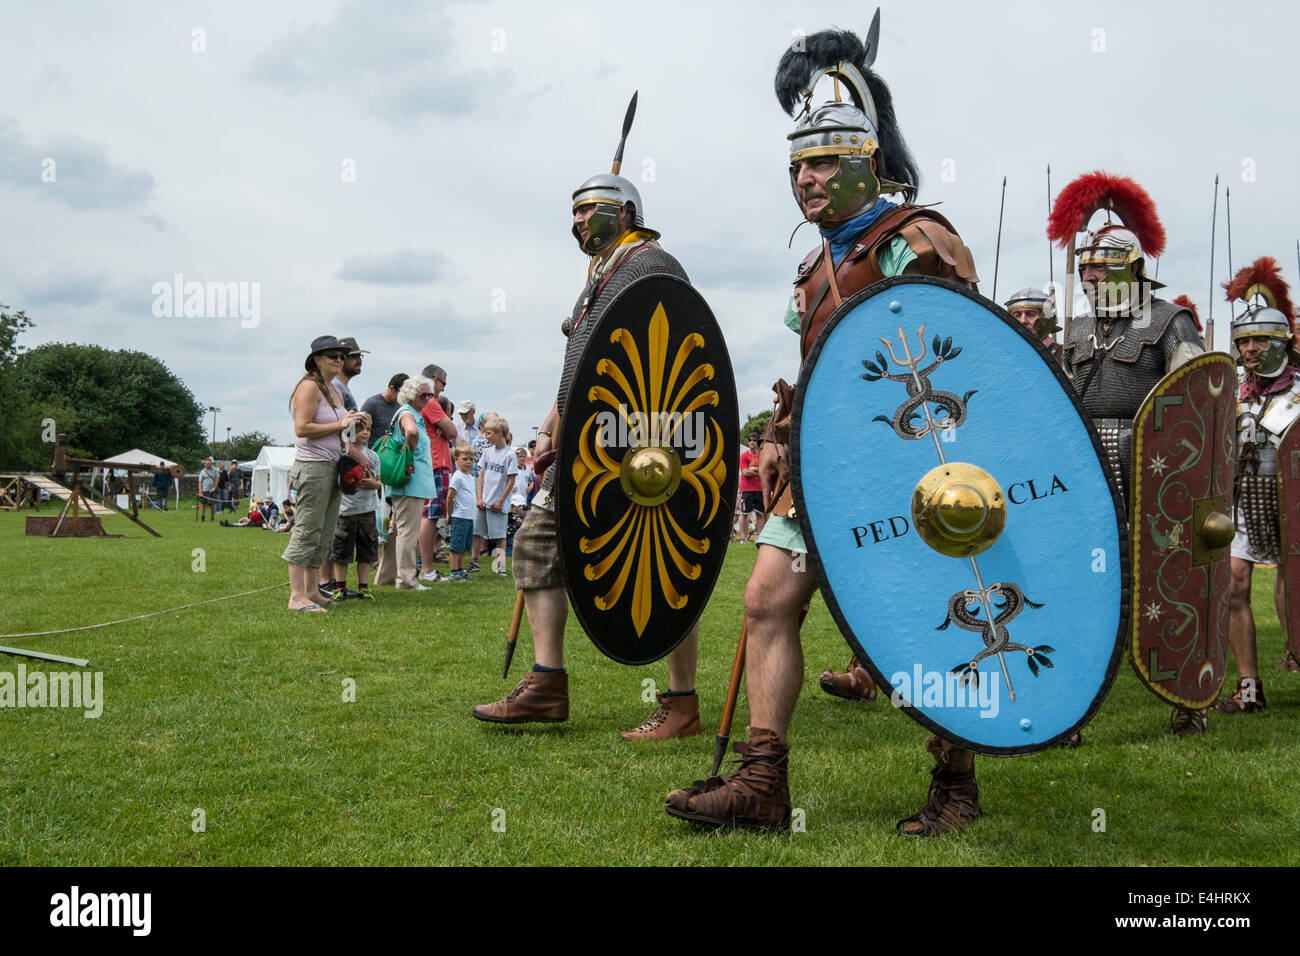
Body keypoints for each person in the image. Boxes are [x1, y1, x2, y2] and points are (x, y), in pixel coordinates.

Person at [666, 20, 987, 834]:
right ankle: (762, 783)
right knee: (766, 599)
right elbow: (818, 373)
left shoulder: (915, 240)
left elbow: (966, 360)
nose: (806, 180)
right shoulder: (812, 267)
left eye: (822, 163)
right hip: (822, 467)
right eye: (796, 166)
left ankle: (956, 783)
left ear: (866, 162)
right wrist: (780, 434)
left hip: (912, 466)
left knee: (924, 613)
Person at [473, 103, 706, 741]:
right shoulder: (594, 281)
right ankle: (548, 685)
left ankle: (681, 703)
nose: (578, 220)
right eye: (573, 211)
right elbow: (576, 370)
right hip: (583, 447)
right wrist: (550, 431)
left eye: (591, 207)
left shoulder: (651, 266)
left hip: (642, 451)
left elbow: (668, 360)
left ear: (625, 212)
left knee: (669, 570)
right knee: (540, 542)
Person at [1050, 170, 1206, 734]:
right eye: (1084, 268)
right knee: (1086, 581)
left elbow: (1195, 400)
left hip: (1154, 465)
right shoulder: (1078, 327)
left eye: (1100, 267)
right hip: (1087, 463)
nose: (1089, 277)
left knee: (1169, 575)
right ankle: (1075, 703)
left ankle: (1187, 695)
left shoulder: (1169, 321)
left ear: (1133, 267)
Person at [1218, 257, 1300, 710]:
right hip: (1242, 501)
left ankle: (1296, 652)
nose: (1249, 349)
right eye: (1243, 341)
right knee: (1233, 586)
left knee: (1293, 586)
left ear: (1280, 342)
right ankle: (1249, 687)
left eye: (1258, 340)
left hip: (1290, 504)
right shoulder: (1229, 391)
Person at [283, 336, 359, 611]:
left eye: (341, 356)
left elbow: (341, 429)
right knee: (307, 530)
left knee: (325, 533)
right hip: (312, 466)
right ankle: (296, 596)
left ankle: (312, 591)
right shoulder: (308, 387)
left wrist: (353, 423)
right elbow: (302, 428)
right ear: (317, 359)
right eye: (332, 356)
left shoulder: (333, 390)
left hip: (332, 466)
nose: (339, 360)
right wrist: (340, 423)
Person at [375, 375, 438, 591]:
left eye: (430, 394)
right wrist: (408, 453)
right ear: (411, 394)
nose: (428, 398)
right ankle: (407, 579)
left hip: (408, 482)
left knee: (398, 530)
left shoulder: (409, 413)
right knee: (408, 531)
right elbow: (411, 432)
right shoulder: (408, 413)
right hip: (410, 481)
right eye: (423, 394)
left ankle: (385, 576)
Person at [325, 413, 383, 601]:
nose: (365, 433)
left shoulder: (373, 456)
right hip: (345, 511)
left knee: (366, 552)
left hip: (367, 511)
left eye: (368, 429)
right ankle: (340, 587)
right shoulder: (341, 456)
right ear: (349, 432)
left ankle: (363, 587)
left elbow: (379, 482)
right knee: (342, 551)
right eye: (360, 430)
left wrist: (373, 484)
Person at [418, 364, 457, 583]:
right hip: (436, 460)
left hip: (426, 461)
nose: (442, 389)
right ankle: (427, 568)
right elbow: (452, 431)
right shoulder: (430, 402)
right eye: (443, 384)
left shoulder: (416, 401)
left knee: (425, 515)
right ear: (435, 380)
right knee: (430, 516)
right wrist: (445, 426)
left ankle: (422, 566)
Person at [475, 414, 518, 576]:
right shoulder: (487, 452)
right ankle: (474, 562)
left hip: (498, 504)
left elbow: (511, 480)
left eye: (488, 433)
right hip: (484, 501)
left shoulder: (509, 454)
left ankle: (500, 566)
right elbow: (481, 476)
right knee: (477, 532)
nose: (486, 437)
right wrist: (479, 497)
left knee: (500, 536)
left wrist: (500, 500)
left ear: (499, 432)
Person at [1004, 286, 1063, 363]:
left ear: (1046, 319)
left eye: (1030, 314)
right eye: (1017, 315)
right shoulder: (1004, 356)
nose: (1023, 321)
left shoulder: (1065, 356)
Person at [445, 443, 477, 582]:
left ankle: (460, 570)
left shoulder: (470, 477)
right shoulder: (457, 477)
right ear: (456, 459)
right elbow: (450, 496)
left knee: (464, 546)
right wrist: (449, 514)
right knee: (456, 546)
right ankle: (453, 572)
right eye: (465, 459)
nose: (468, 462)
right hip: (459, 516)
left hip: (469, 516)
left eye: (471, 459)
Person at [735, 433, 765, 542]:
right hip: (746, 489)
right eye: (750, 440)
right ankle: (744, 538)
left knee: (760, 515)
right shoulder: (744, 456)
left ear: (758, 442)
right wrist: (759, 471)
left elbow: (766, 471)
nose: (751, 442)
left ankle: (760, 537)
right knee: (744, 514)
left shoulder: (763, 455)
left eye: (754, 440)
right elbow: (745, 473)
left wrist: (753, 470)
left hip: (760, 489)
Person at [362, 373, 408, 439]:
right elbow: (358, 431)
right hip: (372, 448)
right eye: (402, 394)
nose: (403, 397)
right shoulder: (371, 404)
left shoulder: (400, 408)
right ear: (392, 388)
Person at [332, 337, 368, 412]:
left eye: (360, 356)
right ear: (341, 359)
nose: (359, 361)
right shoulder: (335, 386)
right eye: (354, 357)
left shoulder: (341, 386)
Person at [198, 457, 219, 522]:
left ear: (211, 464)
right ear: (205, 464)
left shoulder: (215, 470)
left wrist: (214, 488)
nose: (207, 465)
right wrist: (200, 492)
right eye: (206, 463)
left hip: (212, 491)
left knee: (213, 505)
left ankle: (212, 518)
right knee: (203, 504)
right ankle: (202, 517)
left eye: (209, 463)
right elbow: (200, 482)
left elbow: (217, 479)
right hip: (204, 490)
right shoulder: (202, 471)